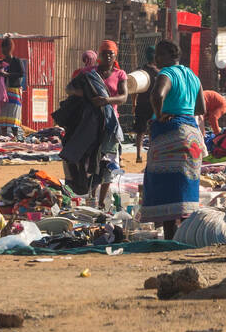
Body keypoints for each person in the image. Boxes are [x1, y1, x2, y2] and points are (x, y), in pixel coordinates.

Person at [140, 40, 206, 240]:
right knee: (186, 187)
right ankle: (187, 236)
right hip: (193, 136)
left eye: (159, 54)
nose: (156, 59)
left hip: (172, 135)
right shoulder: (193, 76)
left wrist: (160, 115)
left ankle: (170, 236)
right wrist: (183, 110)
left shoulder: (166, 74)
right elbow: (201, 108)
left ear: (169, 56)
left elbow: (157, 95)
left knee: (166, 186)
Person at [70, 40, 129, 210]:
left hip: (111, 126)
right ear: (99, 56)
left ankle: (102, 201)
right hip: (90, 124)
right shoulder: (88, 72)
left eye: (111, 53)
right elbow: (70, 89)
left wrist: (107, 101)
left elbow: (124, 97)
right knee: (91, 162)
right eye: (104, 53)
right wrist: (86, 96)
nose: (108, 56)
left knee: (109, 162)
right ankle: (91, 197)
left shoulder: (120, 74)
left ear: (115, 55)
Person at [0, 37, 25, 138]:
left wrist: (7, 74)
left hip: (14, 92)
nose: (3, 51)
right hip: (2, 93)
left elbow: (21, 74)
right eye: (2, 48)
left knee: (13, 117)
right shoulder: (0, 63)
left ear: (10, 48)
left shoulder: (17, 61)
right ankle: (4, 136)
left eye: (5, 48)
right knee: (3, 117)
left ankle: (15, 136)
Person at [133, 45, 161, 162]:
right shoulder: (159, 73)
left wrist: (134, 103)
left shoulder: (140, 70)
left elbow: (134, 87)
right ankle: (151, 155)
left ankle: (139, 155)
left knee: (140, 131)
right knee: (152, 131)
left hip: (141, 104)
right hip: (153, 105)